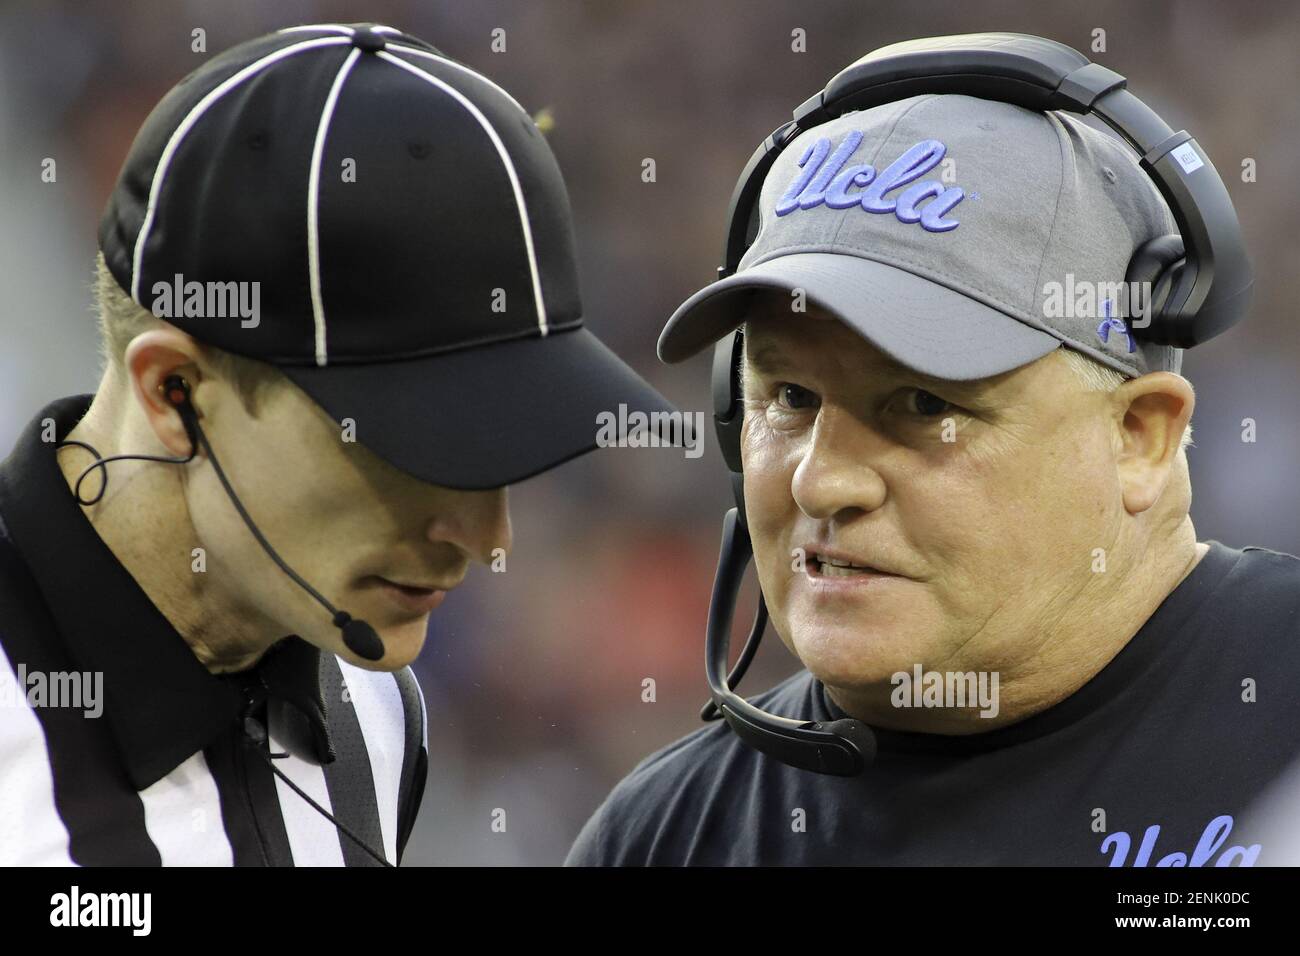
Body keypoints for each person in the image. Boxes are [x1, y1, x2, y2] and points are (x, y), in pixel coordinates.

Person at [566, 39, 1299, 866]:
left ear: (1140, 438)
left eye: (922, 404)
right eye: (792, 399)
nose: (821, 480)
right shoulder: (662, 840)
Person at [0, 21, 671, 866]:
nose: (489, 540)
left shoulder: (373, 706)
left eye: (500, 451)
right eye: (408, 447)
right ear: (174, 392)